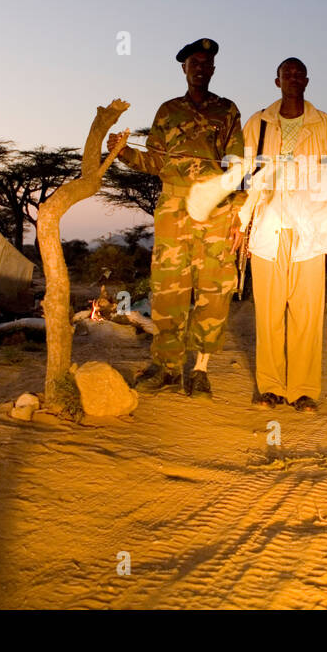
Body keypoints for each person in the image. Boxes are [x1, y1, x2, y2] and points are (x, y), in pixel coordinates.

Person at [109, 37, 246, 399]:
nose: (200, 68)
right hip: (173, 209)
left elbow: (237, 166)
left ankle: (200, 370)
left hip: (216, 210)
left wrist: (237, 211)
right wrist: (124, 154)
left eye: (206, 63)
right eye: (194, 63)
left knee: (214, 292)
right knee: (169, 291)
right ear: (184, 69)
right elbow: (154, 160)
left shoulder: (228, 110)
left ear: (213, 69)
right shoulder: (168, 111)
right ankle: (167, 367)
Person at [239, 57, 327, 413]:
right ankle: (270, 387)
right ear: (277, 80)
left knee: (307, 313)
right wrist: (241, 226)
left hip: (309, 230)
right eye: (287, 74)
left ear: (307, 80)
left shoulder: (324, 124)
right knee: (268, 313)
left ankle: (304, 390)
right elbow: (247, 178)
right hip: (267, 227)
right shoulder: (259, 123)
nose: (293, 78)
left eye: (299, 73)